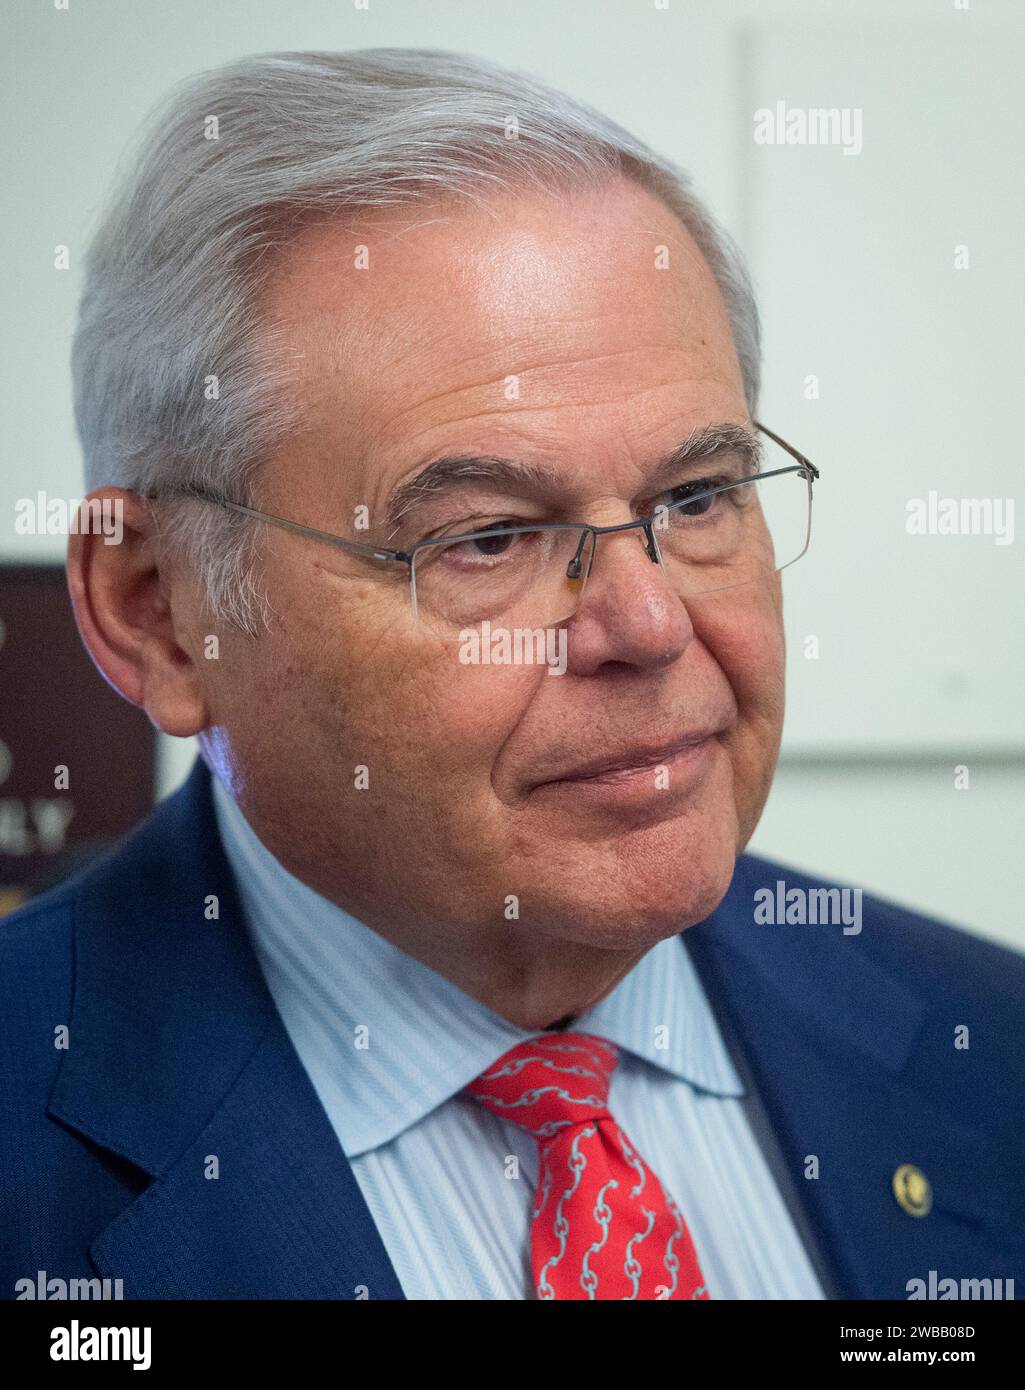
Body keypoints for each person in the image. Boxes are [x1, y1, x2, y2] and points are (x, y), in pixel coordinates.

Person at [2, 48, 1022, 1302]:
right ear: (156, 612)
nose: (649, 623)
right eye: (484, 537)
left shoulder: (987, 1043)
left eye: (697, 497)